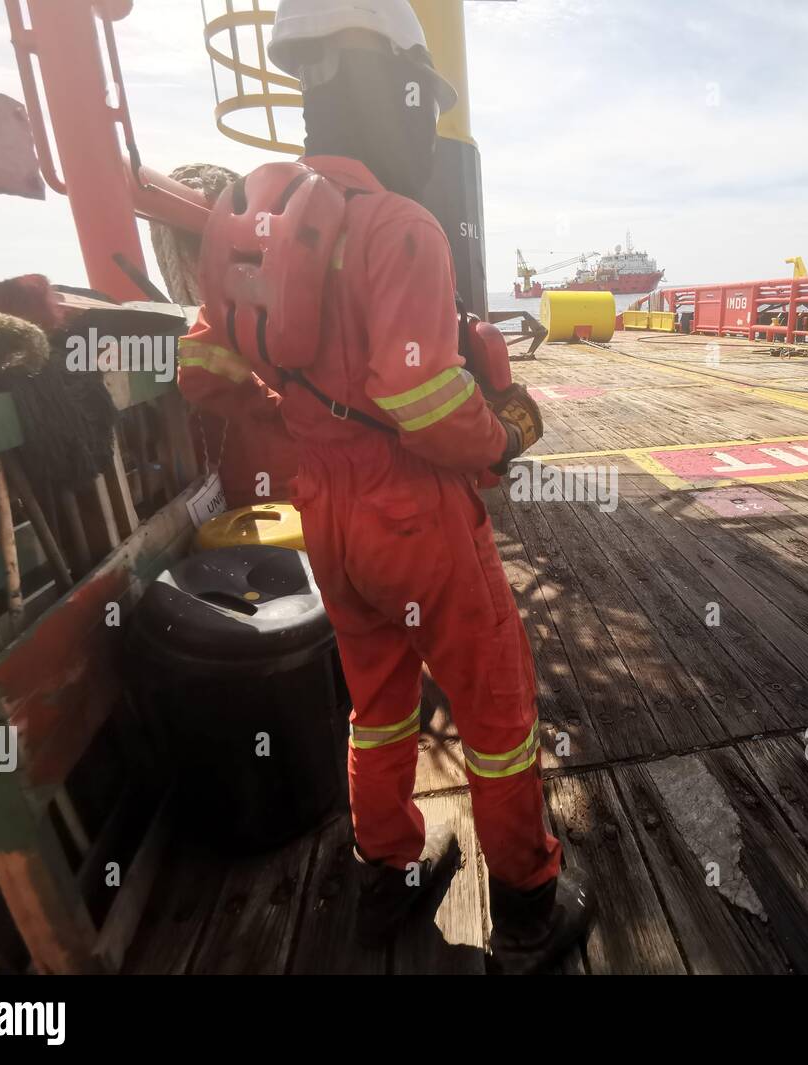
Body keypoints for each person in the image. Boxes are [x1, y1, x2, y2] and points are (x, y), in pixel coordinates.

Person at [184, 0, 592, 974]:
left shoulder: (254, 224)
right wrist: (497, 439)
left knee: (376, 702)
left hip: (320, 511)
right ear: (396, 86)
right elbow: (415, 387)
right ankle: (529, 902)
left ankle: (387, 871)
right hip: (412, 512)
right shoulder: (400, 226)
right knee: (495, 718)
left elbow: (209, 365)